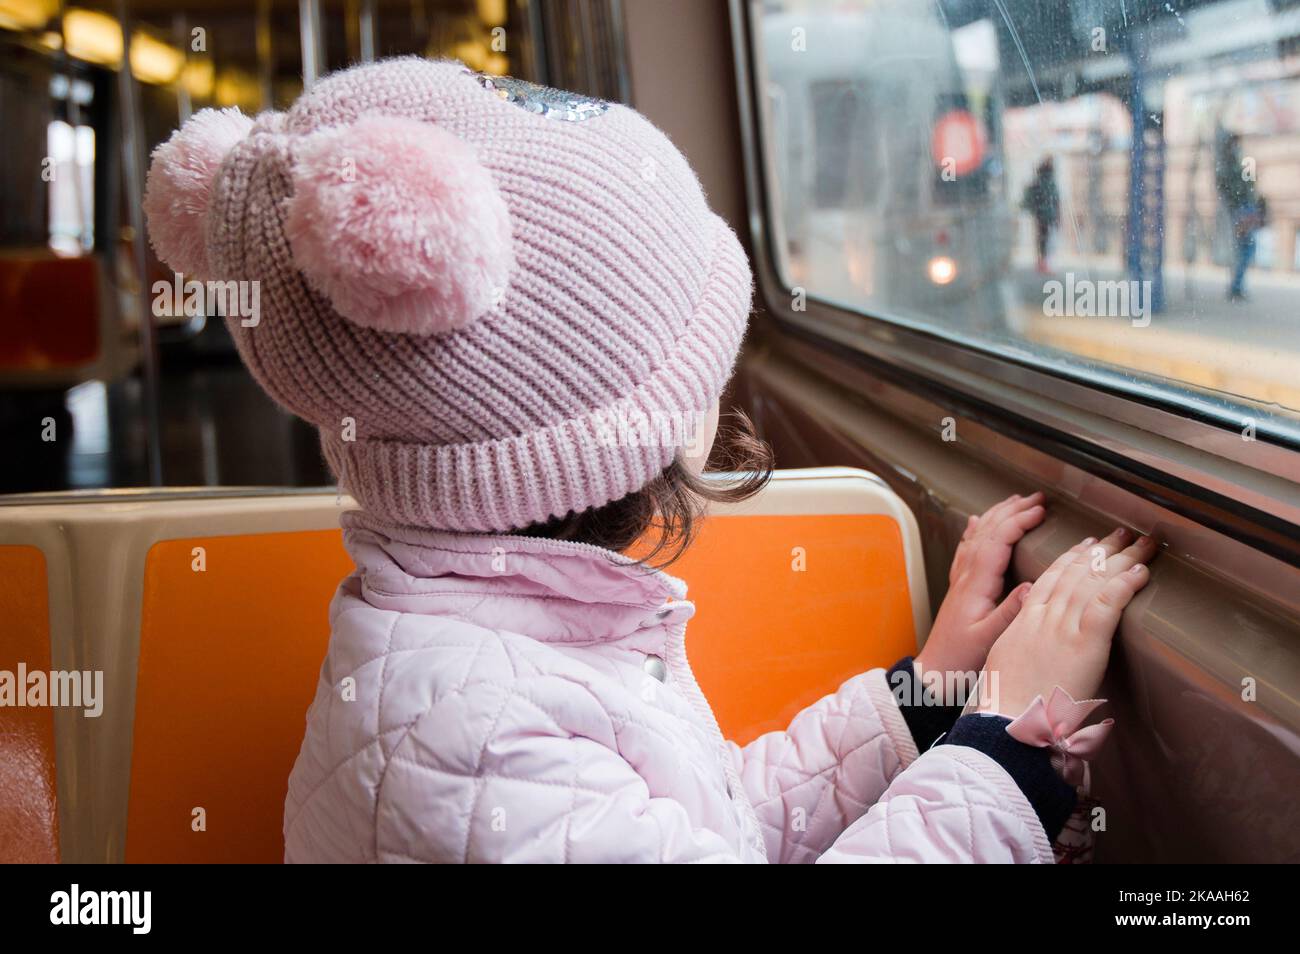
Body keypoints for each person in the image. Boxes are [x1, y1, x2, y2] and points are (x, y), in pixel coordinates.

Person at [143, 59, 1154, 863]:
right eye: (698, 363)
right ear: (607, 436)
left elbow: (717, 828)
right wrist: (1007, 744)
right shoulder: (477, 737)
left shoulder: (514, 634)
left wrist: (927, 692)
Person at [1216, 131, 1266, 301]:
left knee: (1244, 248)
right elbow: (1245, 185)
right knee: (1246, 248)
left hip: (1242, 208)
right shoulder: (1234, 165)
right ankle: (1236, 286)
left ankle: (1237, 285)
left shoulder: (1231, 164)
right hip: (1242, 208)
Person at [1022, 156, 1060, 274]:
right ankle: (1043, 263)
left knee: (1041, 239)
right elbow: (1055, 200)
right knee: (1045, 239)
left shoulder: (1038, 180)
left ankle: (1041, 263)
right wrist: (1057, 216)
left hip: (1039, 214)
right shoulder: (1049, 181)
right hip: (1047, 215)